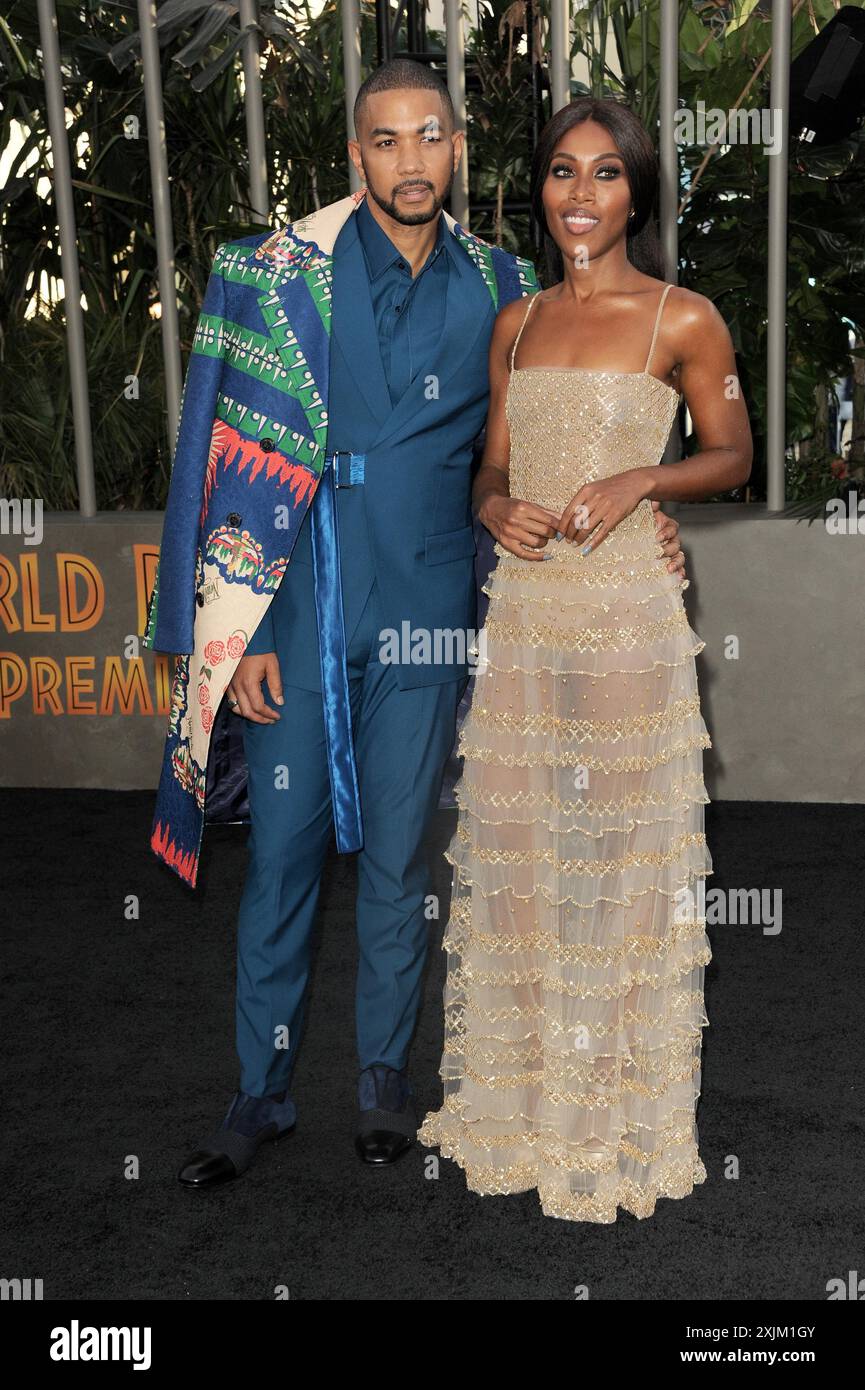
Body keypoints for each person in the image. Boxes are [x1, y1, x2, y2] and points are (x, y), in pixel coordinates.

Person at [142, 60, 687, 1188]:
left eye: (429, 138)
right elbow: (212, 458)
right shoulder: (269, 274)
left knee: (400, 855)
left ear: (456, 150)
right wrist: (229, 631)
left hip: (429, 616)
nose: (409, 162)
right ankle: (262, 1088)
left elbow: (550, 445)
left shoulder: (507, 288)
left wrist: (649, 519)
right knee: (283, 855)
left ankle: (386, 1081)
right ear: (356, 156)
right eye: (385, 142)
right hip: (296, 607)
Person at [418, 96, 752, 1223]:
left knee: (612, 863)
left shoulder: (683, 317)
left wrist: (640, 483)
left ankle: (606, 1123)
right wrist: (495, 507)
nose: (579, 194)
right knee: (516, 856)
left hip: (624, 614)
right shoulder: (514, 323)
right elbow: (488, 465)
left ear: (636, 193)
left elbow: (732, 453)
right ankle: (517, 1110)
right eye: (561, 172)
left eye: (605, 175)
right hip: (525, 616)